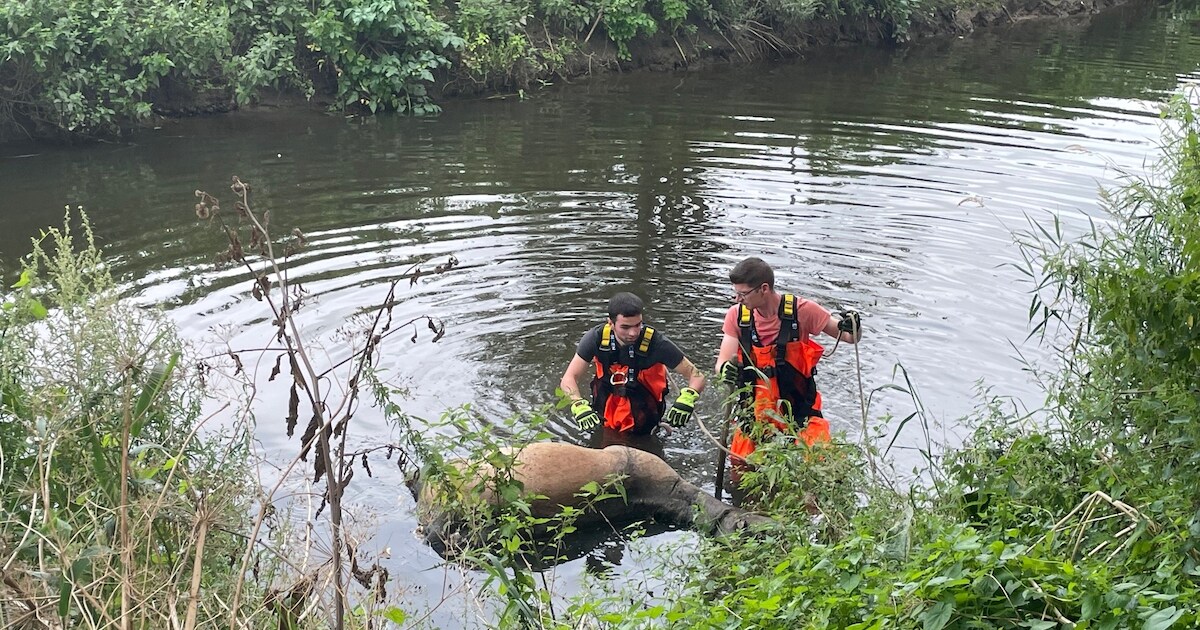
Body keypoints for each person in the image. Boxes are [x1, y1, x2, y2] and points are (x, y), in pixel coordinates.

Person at [713, 257, 862, 464]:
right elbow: (721, 363)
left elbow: (849, 337)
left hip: (800, 413)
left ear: (763, 289)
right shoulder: (736, 317)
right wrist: (725, 369)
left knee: (821, 464)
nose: (737, 299)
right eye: (735, 293)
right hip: (754, 416)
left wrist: (854, 324)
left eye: (742, 294)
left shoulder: (803, 311)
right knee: (741, 468)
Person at [560, 292, 707, 436]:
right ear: (610, 323)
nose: (633, 333)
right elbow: (569, 378)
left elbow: (697, 376)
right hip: (603, 414)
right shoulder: (595, 339)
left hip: (645, 417)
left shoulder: (657, 344)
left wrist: (688, 397)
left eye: (638, 325)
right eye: (625, 327)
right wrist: (578, 405)